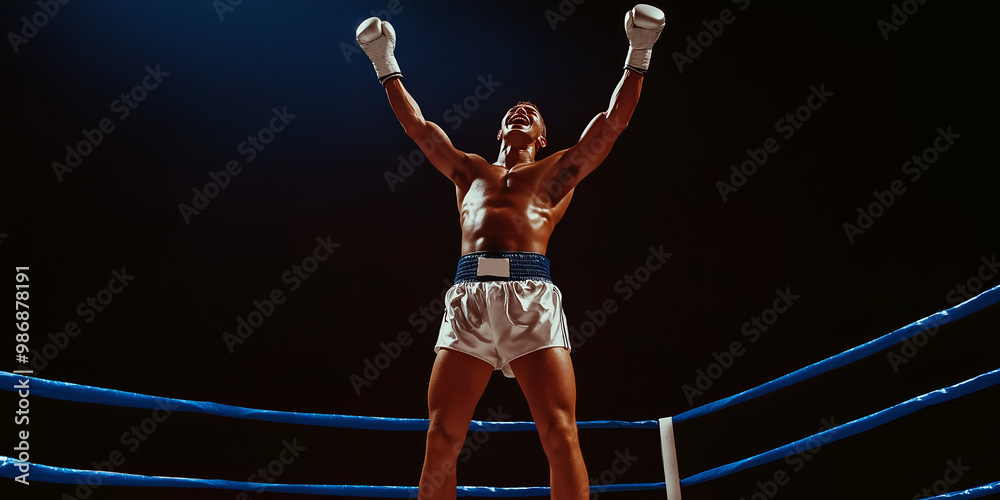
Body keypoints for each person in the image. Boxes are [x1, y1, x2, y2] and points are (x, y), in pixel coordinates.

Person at [356, 5, 665, 499]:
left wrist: (639, 53)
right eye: (511, 113)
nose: (520, 113)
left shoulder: (557, 174)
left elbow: (609, 126)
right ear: (500, 131)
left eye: (531, 114)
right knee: (441, 437)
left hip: (530, 297)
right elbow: (419, 129)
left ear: (542, 137)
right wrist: (383, 59)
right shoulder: (469, 171)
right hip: (468, 298)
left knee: (559, 433)